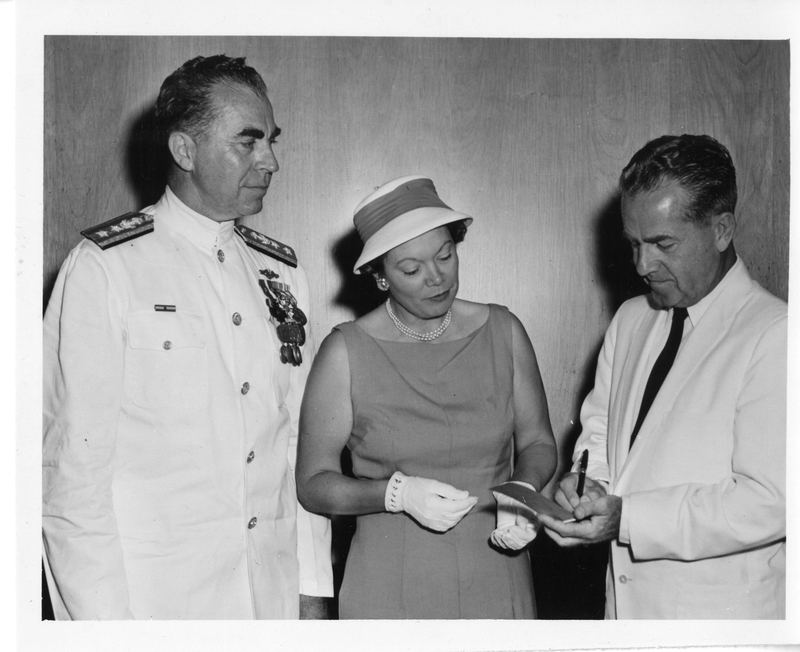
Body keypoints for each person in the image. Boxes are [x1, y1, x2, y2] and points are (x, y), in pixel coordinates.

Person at [42, 54, 332, 620]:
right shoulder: (106, 269)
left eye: (271, 140)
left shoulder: (281, 274)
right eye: (247, 142)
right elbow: (71, 483)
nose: (270, 160)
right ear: (184, 150)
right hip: (159, 605)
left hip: (270, 599)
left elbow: (298, 447)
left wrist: (312, 591)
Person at [538, 135, 786, 619]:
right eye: (633, 244)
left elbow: (771, 501)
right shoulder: (631, 320)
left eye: (661, 244)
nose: (642, 265)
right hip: (624, 617)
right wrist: (585, 484)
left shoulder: (775, 334)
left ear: (721, 229)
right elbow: (601, 433)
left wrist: (626, 519)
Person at [296, 175, 557, 619]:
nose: (436, 278)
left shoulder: (504, 330)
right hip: (389, 581)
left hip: (495, 570)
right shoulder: (345, 351)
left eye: (445, 255)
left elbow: (538, 443)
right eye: (412, 269)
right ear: (379, 277)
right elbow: (313, 484)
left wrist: (523, 494)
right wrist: (394, 494)